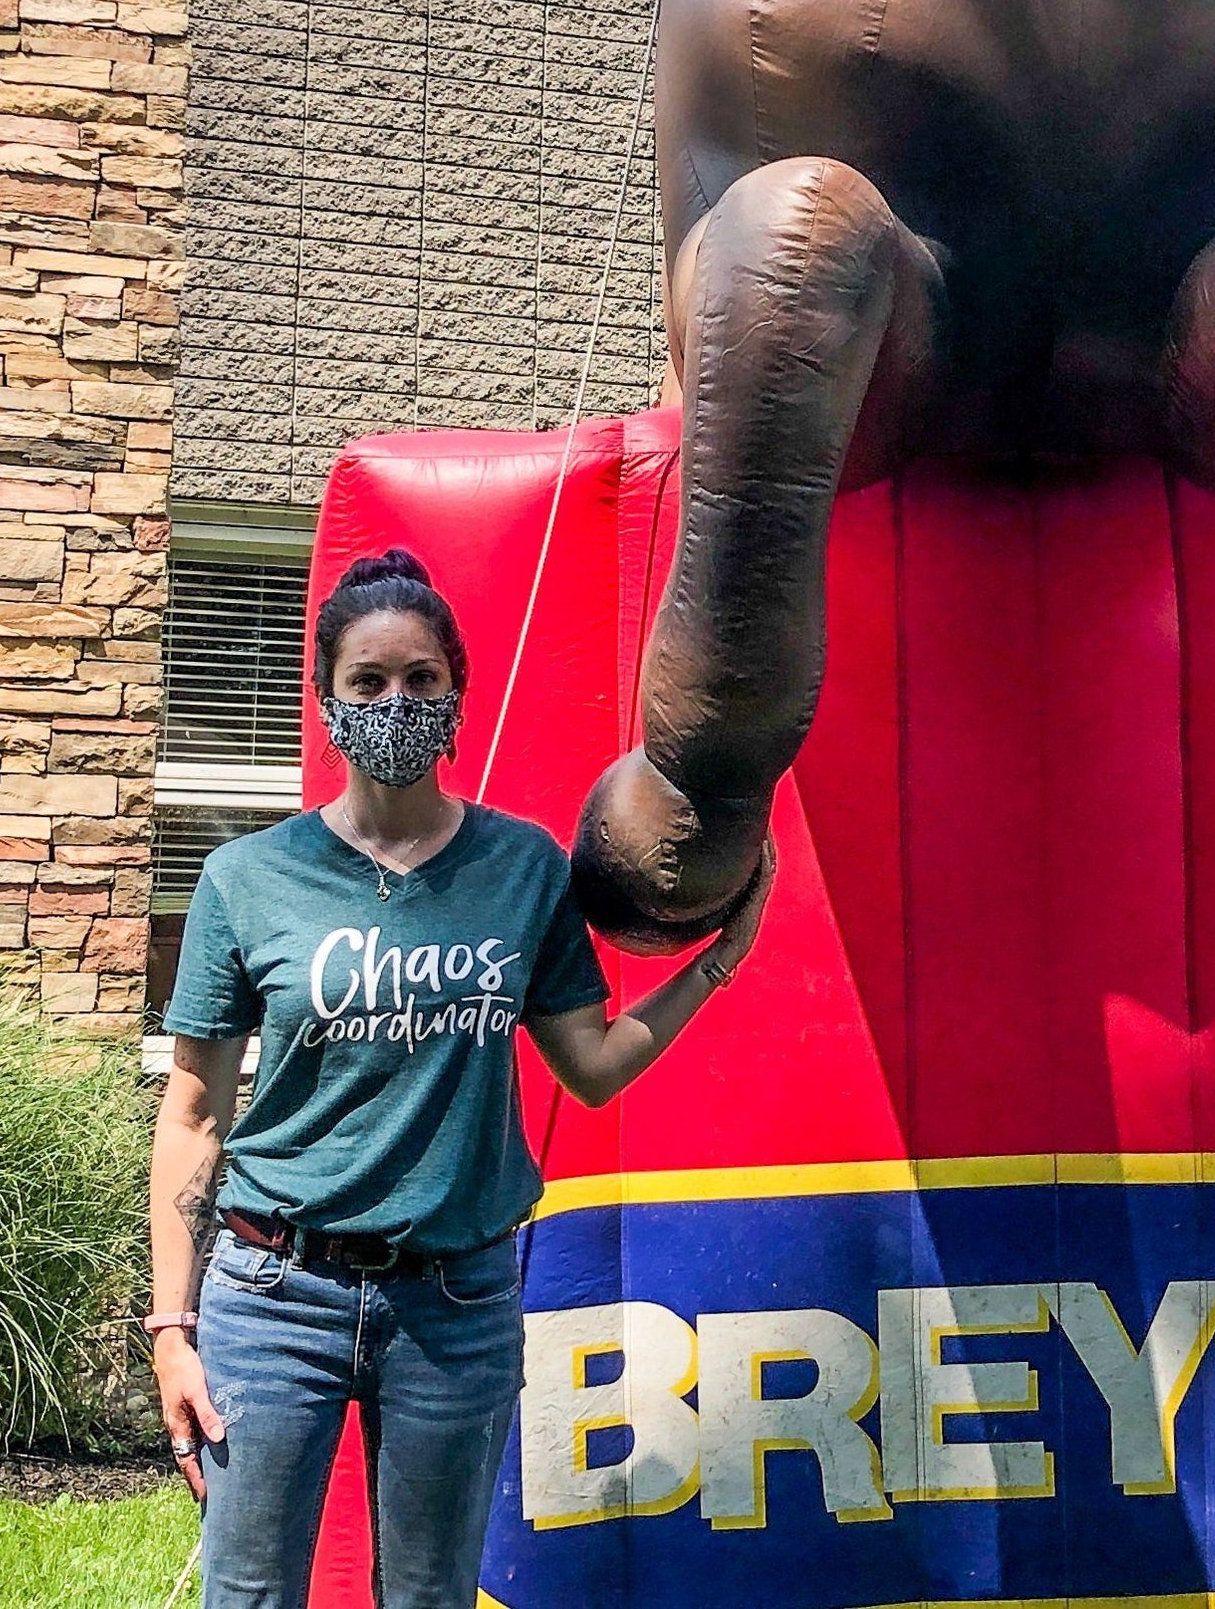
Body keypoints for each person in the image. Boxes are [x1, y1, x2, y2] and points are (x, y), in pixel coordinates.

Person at [146, 547, 775, 1609]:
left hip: (456, 1300)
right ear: (327, 699)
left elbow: (595, 1066)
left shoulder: (524, 867)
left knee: (431, 1598)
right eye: (369, 682)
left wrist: (715, 963)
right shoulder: (245, 879)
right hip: (270, 1294)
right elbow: (195, 1112)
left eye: (421, 680)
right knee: (247, 1596)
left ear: (456, 692)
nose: (396, 701)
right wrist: (171, 1328)